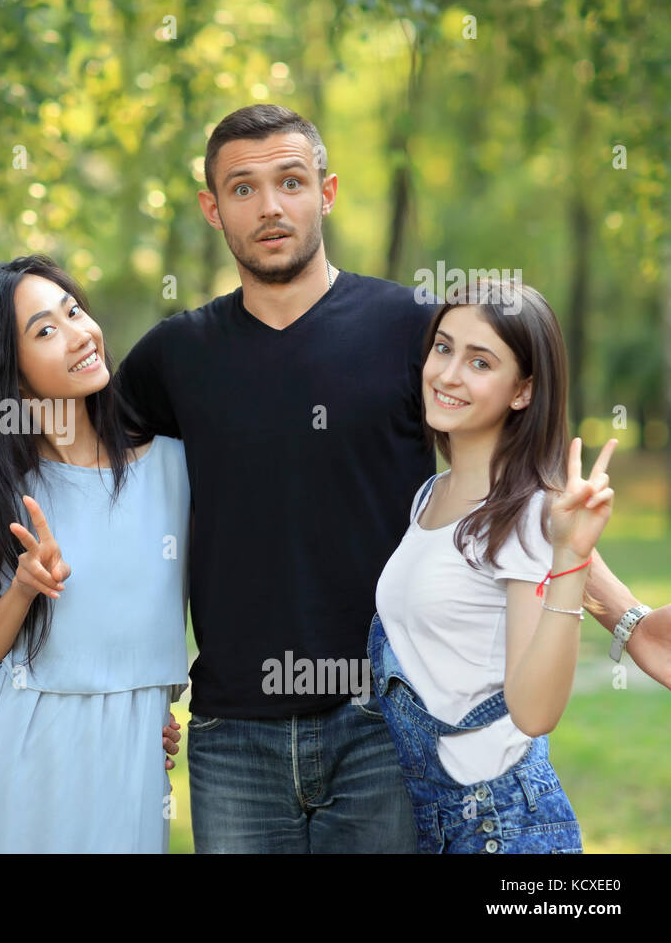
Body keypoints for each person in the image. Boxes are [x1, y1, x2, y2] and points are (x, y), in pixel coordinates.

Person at [113, 103, 667, 853]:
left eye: (291, 181)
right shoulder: (173, 356)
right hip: (231, 728)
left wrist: (627, 618)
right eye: (243, 189)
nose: (270, 205)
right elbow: (88, 480)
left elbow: (513, 496)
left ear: (327, 191)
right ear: (213, 208)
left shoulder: (414, 331)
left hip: (381, 722)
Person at [0, 255, 190, 852]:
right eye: (45, 331)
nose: (79, 333)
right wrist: (24, 587)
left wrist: (145, 704)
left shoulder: (175, 466)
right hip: (20, 755)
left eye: (73, 311)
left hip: (136, 758)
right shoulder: (5, 487)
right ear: (9, 374)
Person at [370, 280, 615, 853]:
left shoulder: (529, 512)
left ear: (523, 391)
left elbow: (534, 711)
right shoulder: (429, 496)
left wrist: (571, 560)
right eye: (444, 348)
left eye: (480, 361)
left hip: (503, 826)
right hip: (439, 819)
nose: (449, 374)